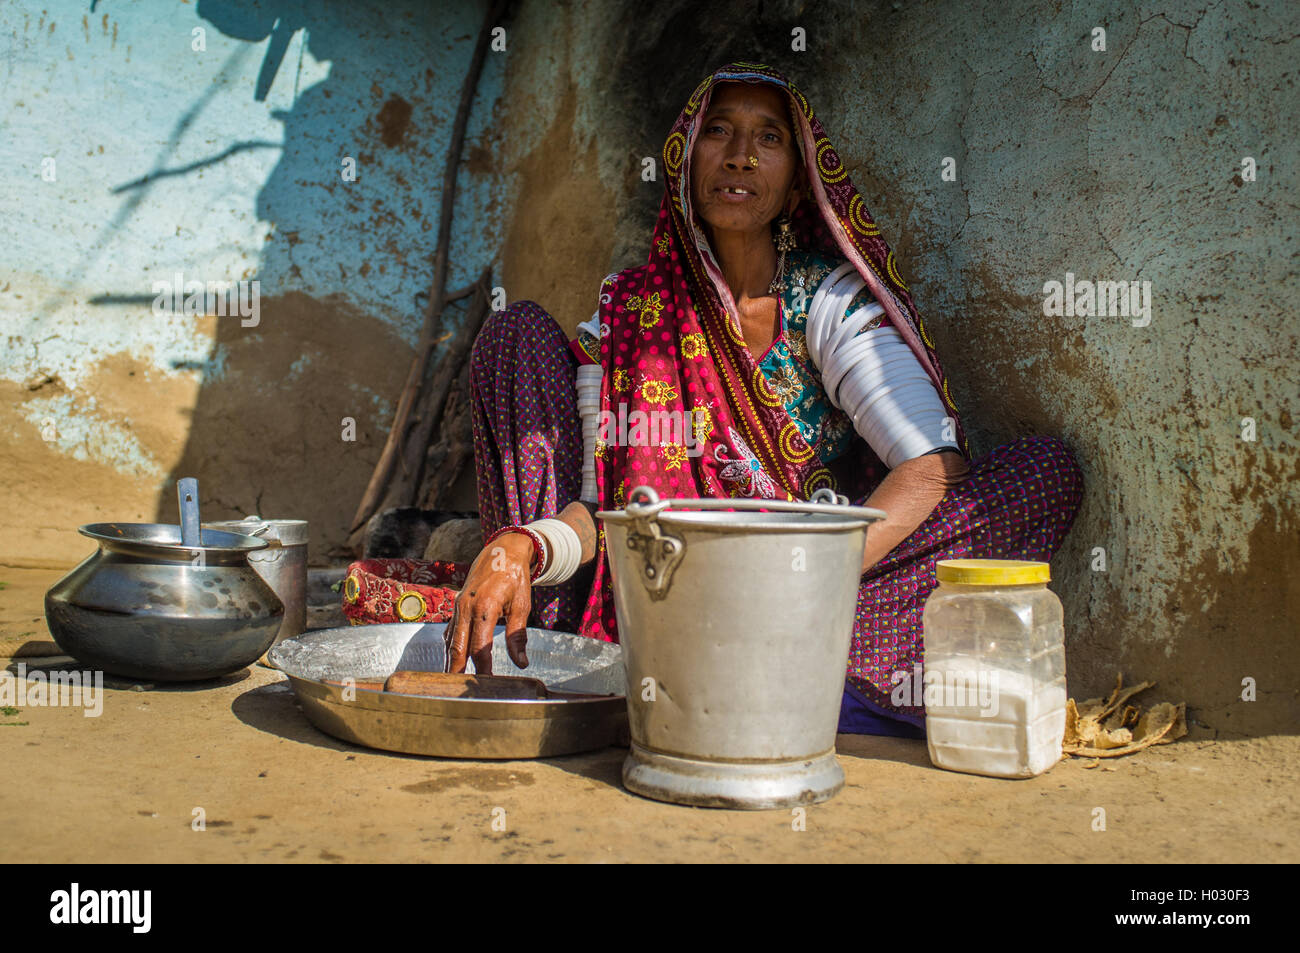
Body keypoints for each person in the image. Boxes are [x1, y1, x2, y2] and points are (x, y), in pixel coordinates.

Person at [447, 62, 1084, 737]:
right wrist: (524, 545)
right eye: (718, 131)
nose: (741, 155)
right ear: (685, 160)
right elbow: (600, 513)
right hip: (653, 608)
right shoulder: (634, 310)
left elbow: (931, 467)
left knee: (1042, 475)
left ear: (795, 182)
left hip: (801, 603)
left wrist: (794, 580)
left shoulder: (827, 303)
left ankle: (787, 685)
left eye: (768, 138)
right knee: (514, 333)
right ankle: (552, 649)